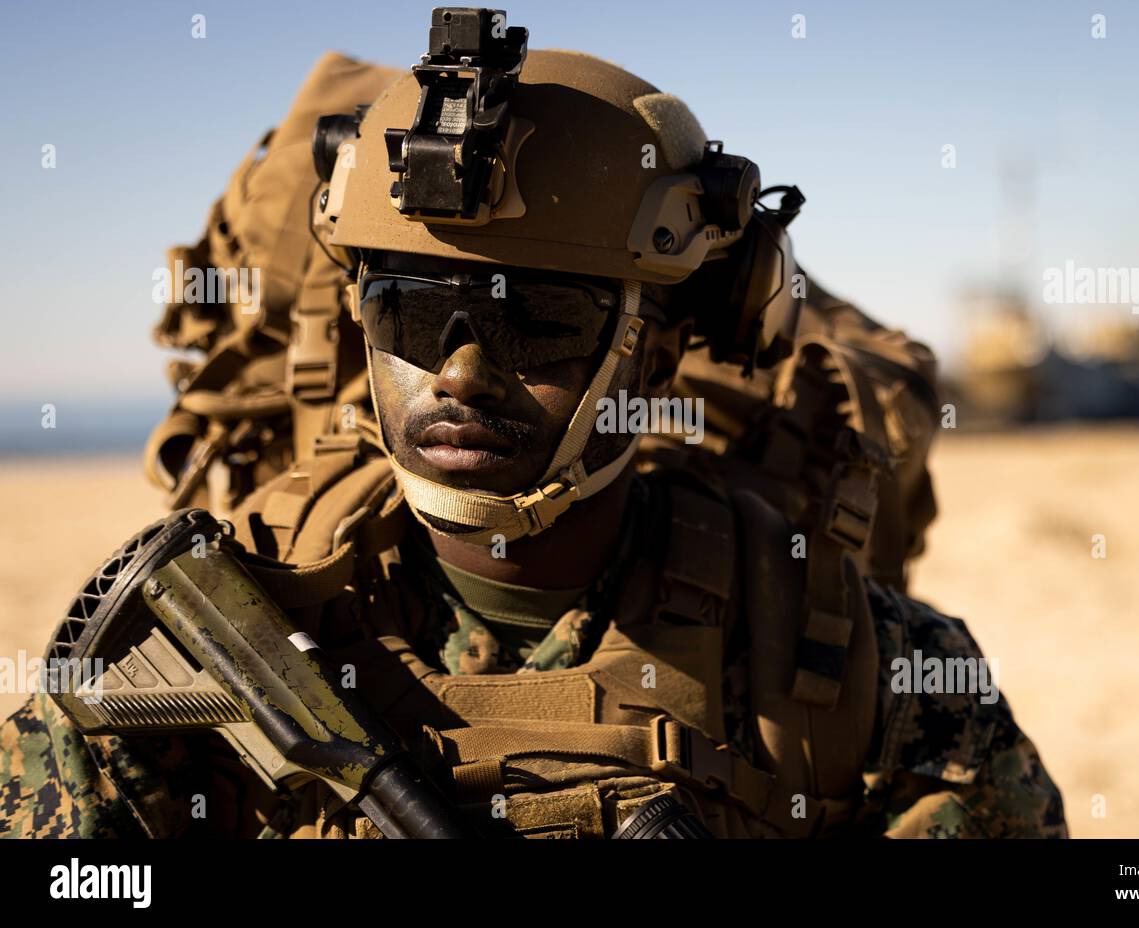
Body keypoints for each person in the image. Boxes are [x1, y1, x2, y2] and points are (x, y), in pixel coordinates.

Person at [0, 8, 1066, 839]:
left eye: (540, 324)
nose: (459, 374)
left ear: (649, 352)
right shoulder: (194, 635)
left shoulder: (864, 669)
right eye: (410, 314)